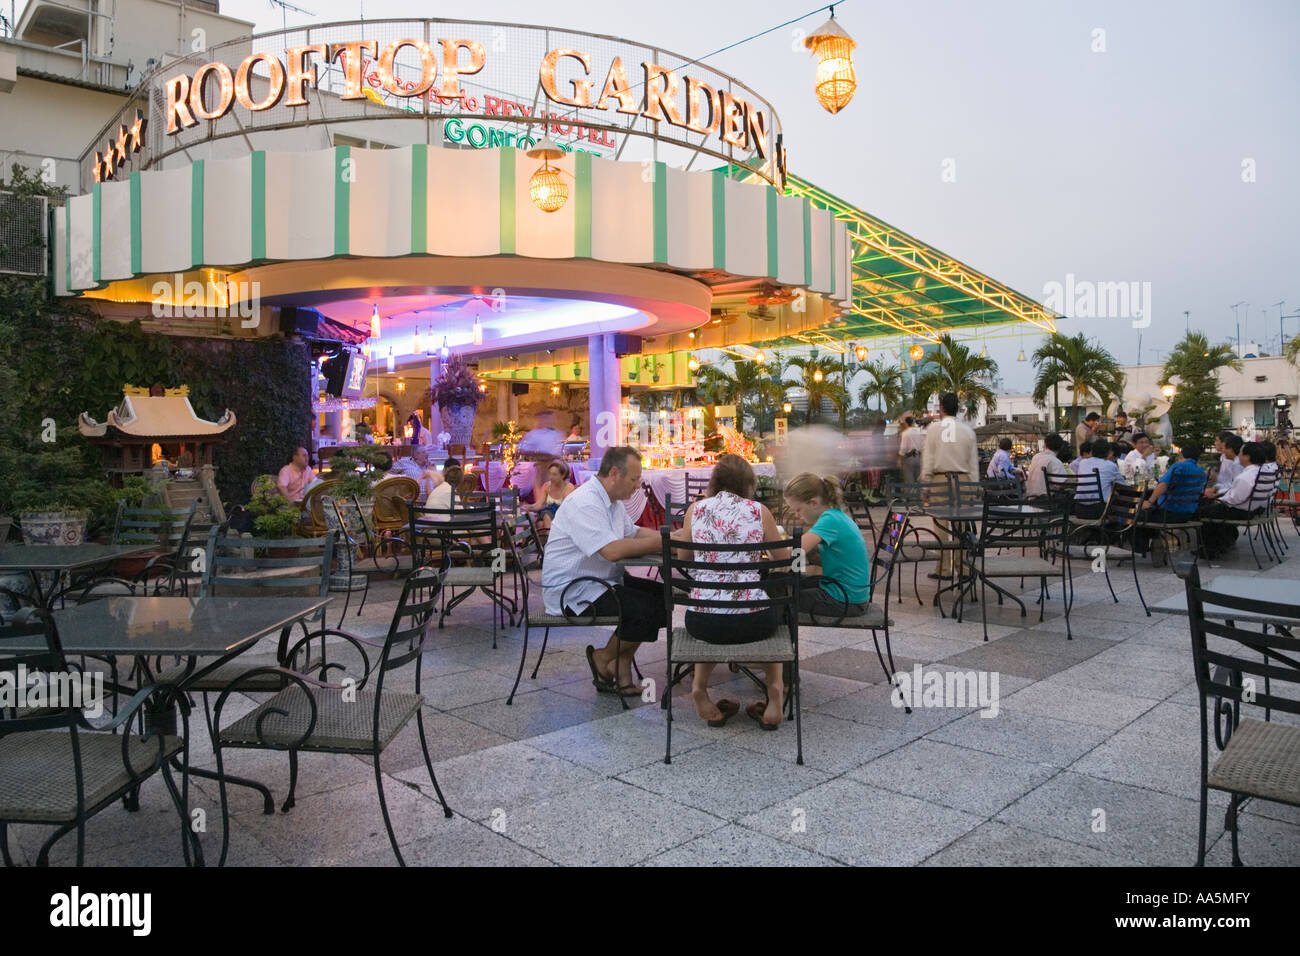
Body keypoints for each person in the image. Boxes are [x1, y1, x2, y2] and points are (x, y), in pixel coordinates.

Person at [673, 455, 790, 729]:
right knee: (773, 605)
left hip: (703, 623)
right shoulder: (759, 511)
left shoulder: (696, 510)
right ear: (748, 484)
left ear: (714, 482)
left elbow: (685, 557)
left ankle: (700, 687)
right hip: (753, 622)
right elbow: (782, 559)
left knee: (710, 609)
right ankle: (775, 687)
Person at [541, 446, 664, 696]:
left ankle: (619, 660)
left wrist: (671, 536)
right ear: (615, 473)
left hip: (600, 580)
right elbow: (611, 551)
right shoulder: (585, 502)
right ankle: (603, 658)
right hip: (573, 590)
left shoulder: (611, 500)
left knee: (664, 598)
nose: (638, 485)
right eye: (634, 479)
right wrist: (664, 543)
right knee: (643, 608)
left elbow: (634, 532)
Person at [783, 472, 872, 618]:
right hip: (851, 594)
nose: (797, 516)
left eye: (798, 510)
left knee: (782, 597)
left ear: (813, 503)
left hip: (845, 600)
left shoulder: (829, 520)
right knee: (789, 584)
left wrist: (767, 540)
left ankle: (778, 638)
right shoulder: (835, 515)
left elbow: (794, 552)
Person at [920, 393, 979, 579]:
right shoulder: (968, 431)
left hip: (940, 479)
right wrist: (976, 487)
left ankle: (944, 569)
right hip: (964, 480)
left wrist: (925, 484)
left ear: (941, 409)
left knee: (941, 525)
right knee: (962, 526)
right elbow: (973, 464)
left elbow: (928, 459)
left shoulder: (934, 429)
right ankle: (963, 567)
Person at [1136, 443, 1205, 556]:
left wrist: (1149, 502)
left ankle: (1142, 549)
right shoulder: (1201, 472)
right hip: (1189, 514)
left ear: (1181, 454)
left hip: (1170, 513)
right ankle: (1154, 545)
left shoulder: (1179, 466)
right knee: (1147, 515)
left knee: (1137, 515)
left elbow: (1163, 485)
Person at [1200, 441, 1265, 556]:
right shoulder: (1260, 472)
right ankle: (1224, 541)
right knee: (1211, 506)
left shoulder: (1245, 477)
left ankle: (1210, 549)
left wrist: (1218, 500)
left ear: (1247, 457)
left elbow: (1234, 499)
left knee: (1205, 511)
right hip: (1253, 508)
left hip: (1241, 511)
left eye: (1240, 453)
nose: (1238, 455)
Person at [524, 460, 576, 529]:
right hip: (547, 516)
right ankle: (549, 538)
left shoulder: (569, 487)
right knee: (541, 522)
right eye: (550, 473)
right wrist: (529, 507)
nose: (551, 477)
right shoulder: (547, 486)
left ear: (563, 475)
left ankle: (549, 538)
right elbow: (539, 505)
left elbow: (565, 509)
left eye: (554, 474)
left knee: (543, 520)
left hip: (562, 517)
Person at [1025, 433, 1068, 499]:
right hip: (1046, 498)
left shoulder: (1036, 457)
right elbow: (1061, 483)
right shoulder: (1055, 461)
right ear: (1060, 447)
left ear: (1045, 445)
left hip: (1031, 497)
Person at [898, 416, 924, 484]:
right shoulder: (919, 432)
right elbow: (922, 446)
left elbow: (903, 449)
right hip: (918, 458)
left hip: (909, 458)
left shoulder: (905, 433)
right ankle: (918, 494)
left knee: (910, 481)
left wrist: (899, 461)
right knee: (918, 481)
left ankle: (911, 494)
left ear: (906, 423)